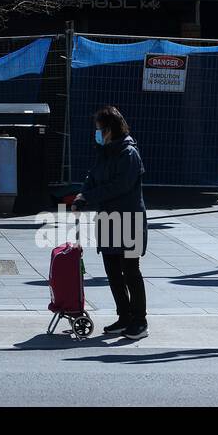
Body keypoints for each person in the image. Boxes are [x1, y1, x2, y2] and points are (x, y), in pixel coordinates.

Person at [74, 105, 148, 340]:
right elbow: (93, 177)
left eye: (99, 129)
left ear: (110, 129)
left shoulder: (129, 153)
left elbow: (120, 186)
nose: (97, 133)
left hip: (128, 218)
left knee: (130, 271)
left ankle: (140, 321)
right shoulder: (105, 151)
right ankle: (124, 316)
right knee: (113, 271)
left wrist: (89, 197)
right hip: (108, 218)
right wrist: (82, 194)